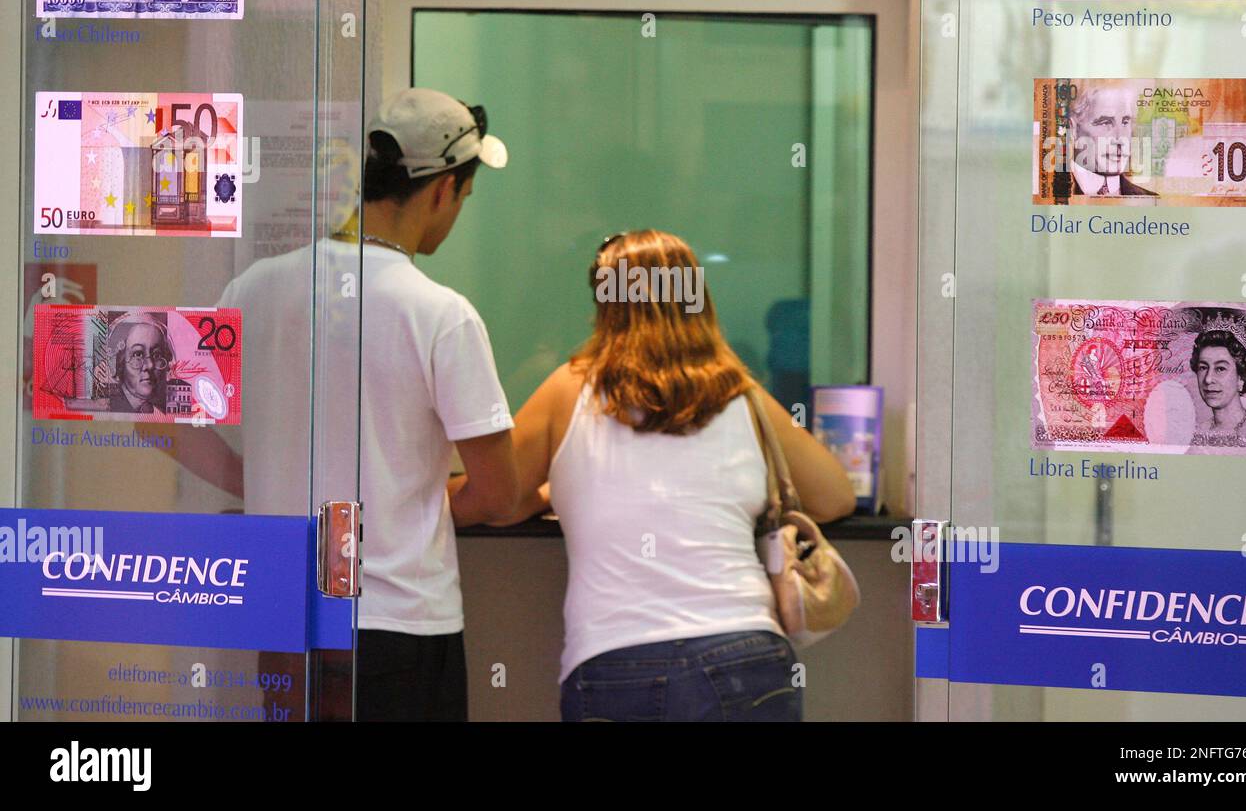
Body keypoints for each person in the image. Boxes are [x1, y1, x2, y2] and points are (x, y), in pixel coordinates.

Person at [211, 87, 521, 720]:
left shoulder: (255, 288)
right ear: (443, 191)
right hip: (401, 628)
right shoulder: (442, 316)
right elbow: (497, 493)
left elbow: (168, 424)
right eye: (464, 196)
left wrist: (268, 485)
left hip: (289, 625)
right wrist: (402, 512)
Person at [470, 229, 856, 722]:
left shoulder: (569, 389)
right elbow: (836, 496)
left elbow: (496, 496)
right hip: (747, 654)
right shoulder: (741, 394)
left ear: (606, 305)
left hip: (617, 663)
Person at [1066, 82, 1156, 198]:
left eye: (1125, 122)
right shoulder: (1052, 196)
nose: (1120, 139)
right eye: (1106, 122)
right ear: (1073, 128)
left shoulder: (1150, 200)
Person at [1190, 328, 1246, 445]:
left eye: (1220, 368)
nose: (1208, 379)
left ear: (1241, 377)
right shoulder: (1199, 431)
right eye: (1203, 367)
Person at [105, 315, 173, 413]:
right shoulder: (109, 408)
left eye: (157, 355)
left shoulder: (159, 412)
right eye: (138, 354)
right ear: (119, 363)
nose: (150, 365)